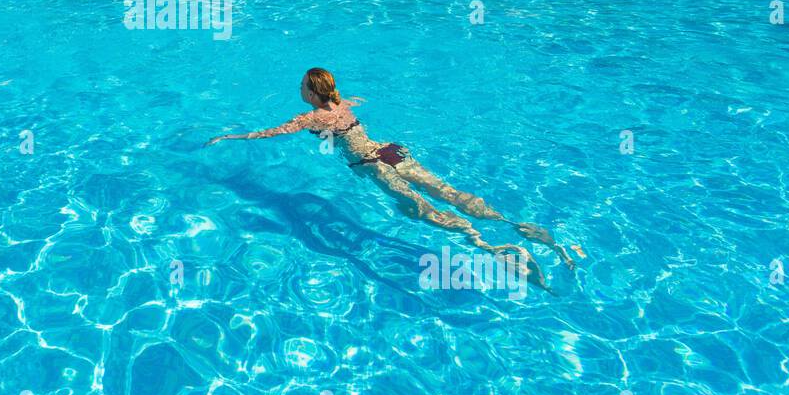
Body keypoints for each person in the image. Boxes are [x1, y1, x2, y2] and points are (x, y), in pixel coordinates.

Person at [208, 68, 578, 288]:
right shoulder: (345, 103)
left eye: (302, 87)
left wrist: (231, 136)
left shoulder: (310, 118)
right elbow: (361, 99)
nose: (298, 91)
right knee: (448, 191)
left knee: (422, 211)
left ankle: (487, 247)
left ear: (310, 93)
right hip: (391, 151)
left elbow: (270, 133)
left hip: (372, 165)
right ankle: (513, 225)